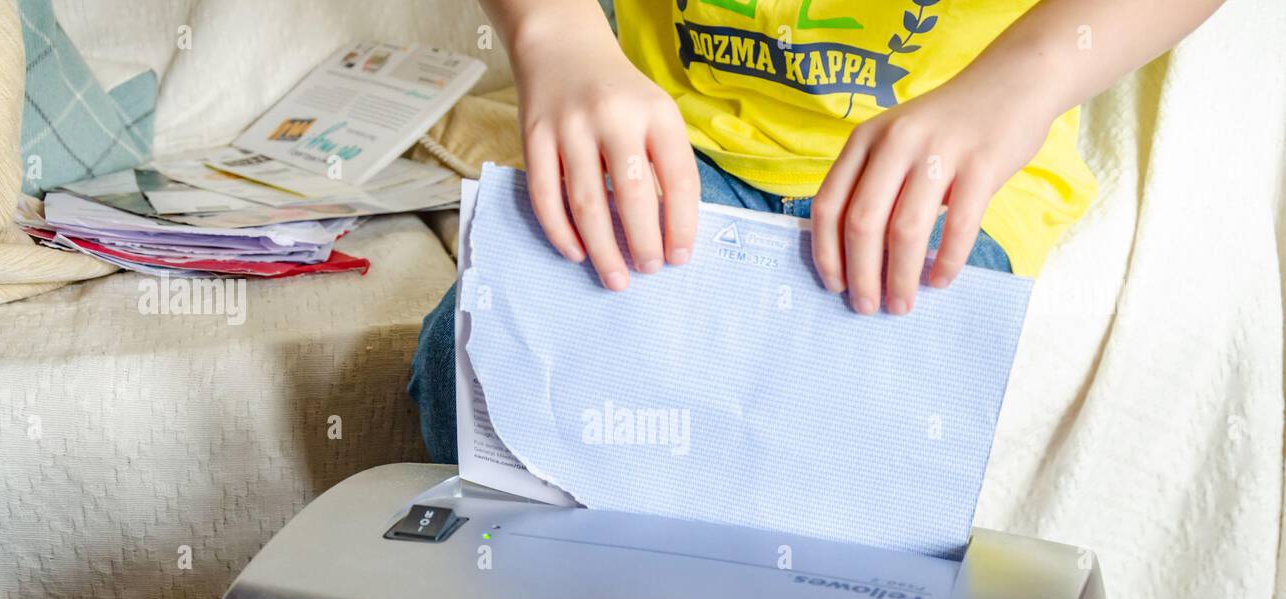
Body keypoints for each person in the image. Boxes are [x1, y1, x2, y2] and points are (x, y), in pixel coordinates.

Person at [410, 0, 1225, 464]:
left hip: (946, 160)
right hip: (671, 136)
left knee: (843, 441)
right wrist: (554, 32)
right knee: (473, 374)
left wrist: (1028, 79)